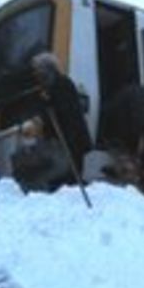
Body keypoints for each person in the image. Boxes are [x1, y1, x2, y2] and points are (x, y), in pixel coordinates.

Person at [29, 52, 93, 189]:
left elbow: (68, 112)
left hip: (71, 139)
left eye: (38, 70)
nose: (36, 74)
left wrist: (49, 102)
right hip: (60, 140)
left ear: (48, 69)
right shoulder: (48, 87)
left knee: (70, 178)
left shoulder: (63, 84)